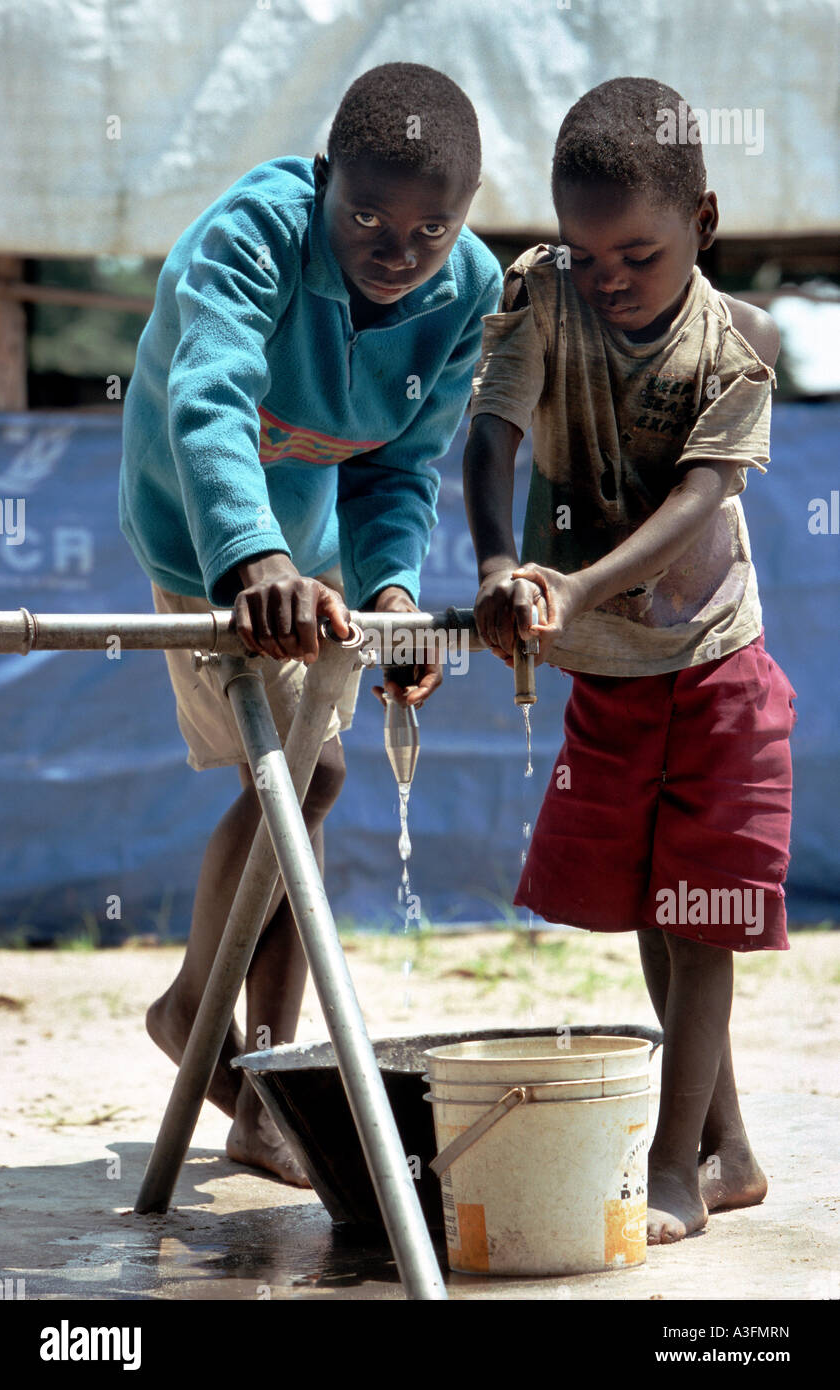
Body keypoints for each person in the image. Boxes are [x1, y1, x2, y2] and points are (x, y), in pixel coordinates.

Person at [119, 62, 502, 1182]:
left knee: (307, 781)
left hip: (314, 564)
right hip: (204, 538)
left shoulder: (466, 293)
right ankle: (216, 1029)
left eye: (433, 227)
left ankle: (248, 1067)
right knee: (300, 780)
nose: (398, 249)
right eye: (369, 217)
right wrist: (251, 557)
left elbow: (400, 464)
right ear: (326, 179)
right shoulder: (252, 232)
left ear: (467, 218)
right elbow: (211, 401)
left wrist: (389, 595)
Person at [463, 77, 796, 1243]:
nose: (607, 279)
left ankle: (672, 1167)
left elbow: (702, 496)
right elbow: (492, 430)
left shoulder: (736, 344)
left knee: (700, 910)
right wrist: (502, 561)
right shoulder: (540, 298)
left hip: (712, 664)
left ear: (703, 223)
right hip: (608, 671)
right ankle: (732, 1151)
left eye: (638, 255)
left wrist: (571, 585)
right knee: (657, 901)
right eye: (585, 251)